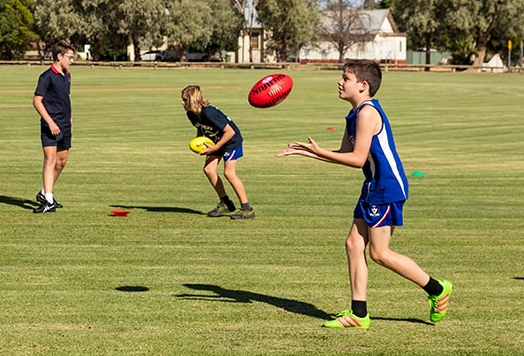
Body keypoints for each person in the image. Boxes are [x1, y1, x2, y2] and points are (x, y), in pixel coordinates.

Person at [277, 59, 452, 329]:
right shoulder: (354, 115)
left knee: (380, 254)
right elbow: (345, 155)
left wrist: (318, 152)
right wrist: (308, 152)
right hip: (372, 186)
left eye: (345, 78)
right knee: (353, 244)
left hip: (386, 186)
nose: (340, 82)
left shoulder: (368, 113)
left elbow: (358, 160)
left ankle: (437, 289)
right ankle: (359, 314)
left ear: (363, 85)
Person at [181, 84, 254, 220]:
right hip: (215, 141)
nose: (182, 103)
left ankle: (247, 209)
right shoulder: (191, 114)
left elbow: (230, 132)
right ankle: (226, 203)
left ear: (193, 100)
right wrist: (199, 142)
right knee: (209, 170)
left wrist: (215, 148)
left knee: (229, 173)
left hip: (231, 141)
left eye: (185, 100)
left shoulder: (209, 113)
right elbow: (201, 128)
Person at [32, 42, 76, 213]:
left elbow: (65, 99)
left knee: (61, 161)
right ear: (59, 56)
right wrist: (50, 122)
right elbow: (37, 101)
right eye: (70, 57)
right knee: (50, 159)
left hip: (64, 124)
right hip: (50, 125)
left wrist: (70, 119)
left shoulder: (67, 75)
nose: (72, 61)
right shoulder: (46, 76)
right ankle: (48, 199)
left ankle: (44, 192)